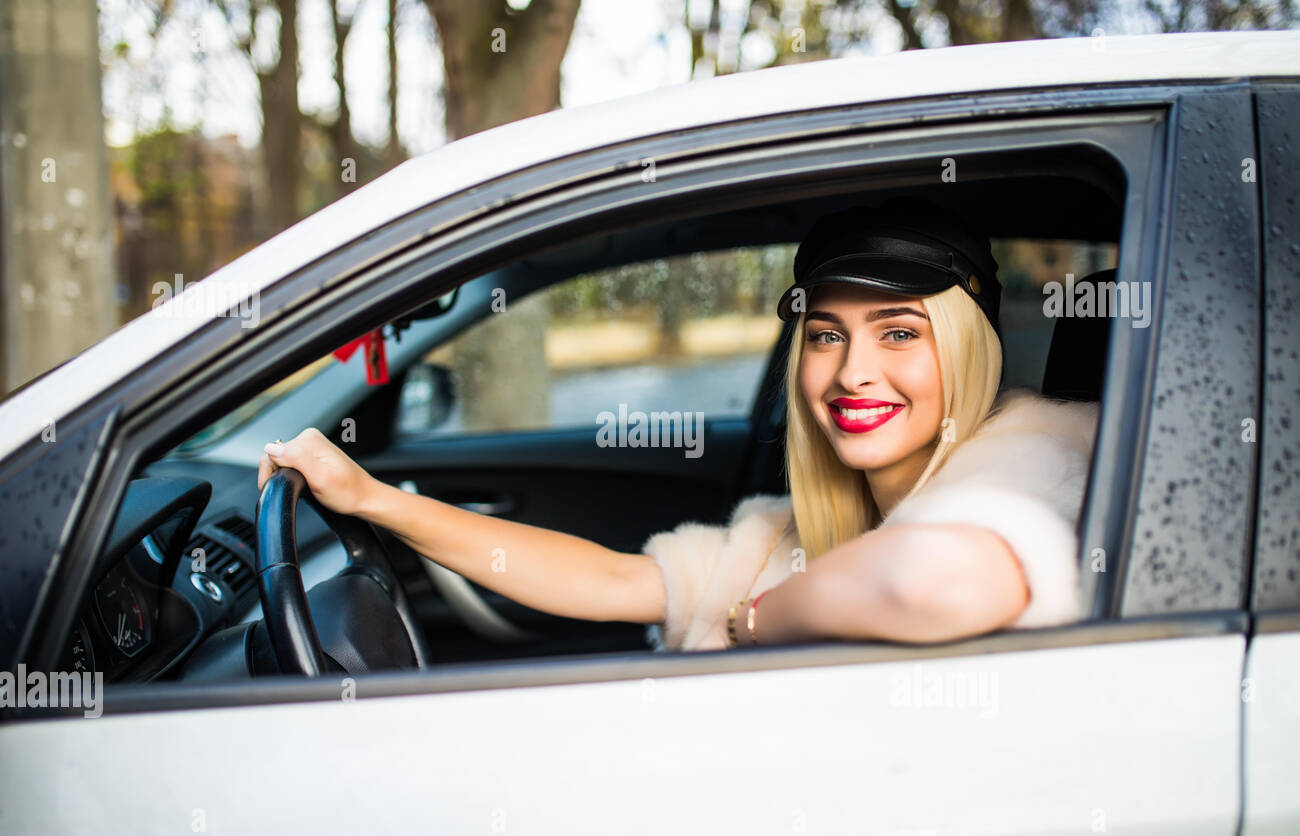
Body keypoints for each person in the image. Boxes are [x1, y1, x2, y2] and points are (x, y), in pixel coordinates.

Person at [258, 198, 1100, 653]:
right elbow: (612, 582)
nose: (854, 372)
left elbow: (936, 581)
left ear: (969, 348)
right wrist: (371, 498)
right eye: (826, 336)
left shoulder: (1041, 460)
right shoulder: (790, 533)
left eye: (900, 333)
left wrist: (758, 620)